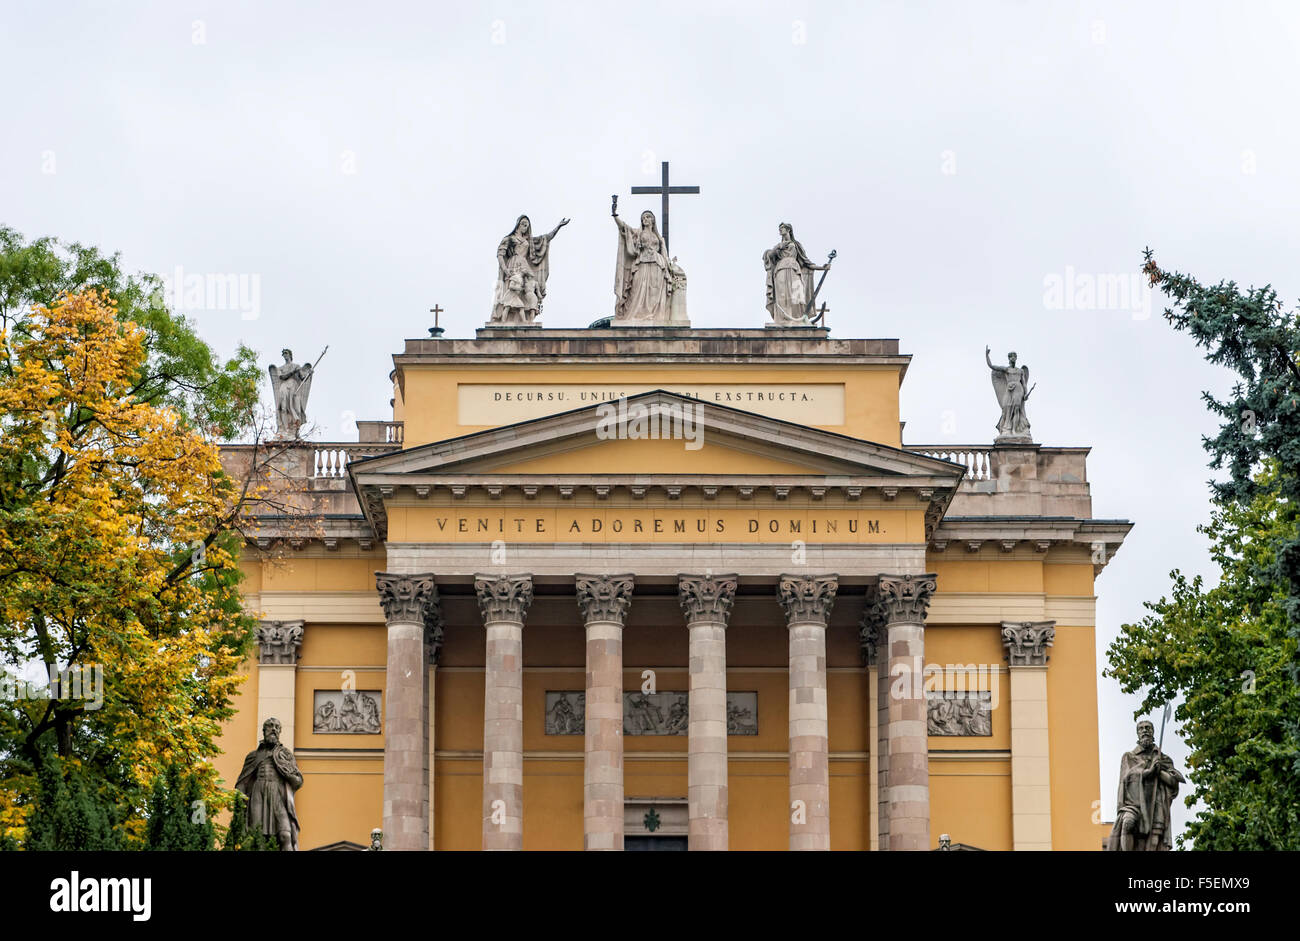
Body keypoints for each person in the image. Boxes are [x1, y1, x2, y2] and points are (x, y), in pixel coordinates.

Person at [1107, 720, 1185, 851]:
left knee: (1153, 841)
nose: (1145, 731)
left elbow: (1173, 782)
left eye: (1148, 728)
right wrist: (1147, 772)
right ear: (1138, 733)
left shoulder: (1163, 758)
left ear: (1153, 732)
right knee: (1128, 823)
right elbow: (1126, 778)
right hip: (1134, 803)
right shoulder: (1129, 757)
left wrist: (1159, 771)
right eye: (1141, 728)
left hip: (1156, 803)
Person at [235, 717, 303, 851]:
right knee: (257, 835)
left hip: (278, 794)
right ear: (264, 730)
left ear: (280, 732)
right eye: (270, 726)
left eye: (277, 727)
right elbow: (243, 781)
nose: (274, 729)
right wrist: (240, 800)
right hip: (258, 794)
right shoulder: (253, 756)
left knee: (285, 835)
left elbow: (298, 781)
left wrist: (288, 774)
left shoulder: (285, 755)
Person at [491, 214, 568, 324]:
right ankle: (507, 318)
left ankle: (525, 317)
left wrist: (558, 227)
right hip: (513, 264)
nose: (524, 227)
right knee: (511, 290)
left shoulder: (529, 241)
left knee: (528, 288)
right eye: (523, 224)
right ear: (518, 225)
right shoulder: (509, 239)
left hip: (524, 266)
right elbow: (500, 254)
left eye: (526, 225)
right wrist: (505, 270)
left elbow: (545, 238)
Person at [613, 209, 674, 322]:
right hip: (641, 263)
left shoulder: (659, 238)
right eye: (643, 218)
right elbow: (625, 228)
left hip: (657, 264)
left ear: (653, 220)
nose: (645, 219)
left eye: (647, 217)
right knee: (636, 290)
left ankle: (653, 316)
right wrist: (615, 216)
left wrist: (669, 267)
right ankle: (635, 315)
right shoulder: (638, 233)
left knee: (654, 292)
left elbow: (664, 254)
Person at [762, 223, 826, 324]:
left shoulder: (796, 245)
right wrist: (778, 247)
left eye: (781, 229)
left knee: (796, 295)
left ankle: (797, 319)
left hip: (794, 270)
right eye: (779, 229)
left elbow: (806, 262)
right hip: (781, 270)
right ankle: (782, 320)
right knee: (782, 295)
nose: (780, 231)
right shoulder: (778, 246)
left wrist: (822, 267)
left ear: (788, 230)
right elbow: (768, 256)